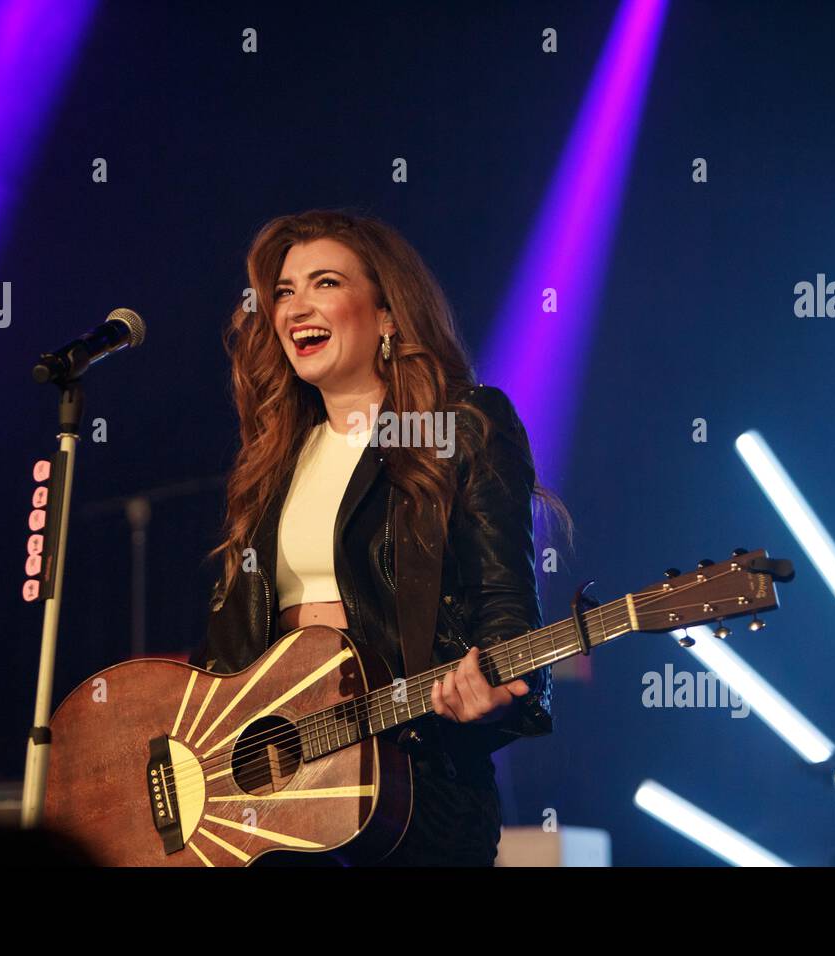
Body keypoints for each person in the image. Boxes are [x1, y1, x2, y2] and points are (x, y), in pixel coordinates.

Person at [199, 208, 572, 866]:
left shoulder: (461, 426)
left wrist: (499, 694)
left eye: (325, 283)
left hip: (413, 789)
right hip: (276, 802)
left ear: (389, 314)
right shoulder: (274, 457)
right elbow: (230, 654)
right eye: (283, 292)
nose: (295, 308)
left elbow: (506, 607)